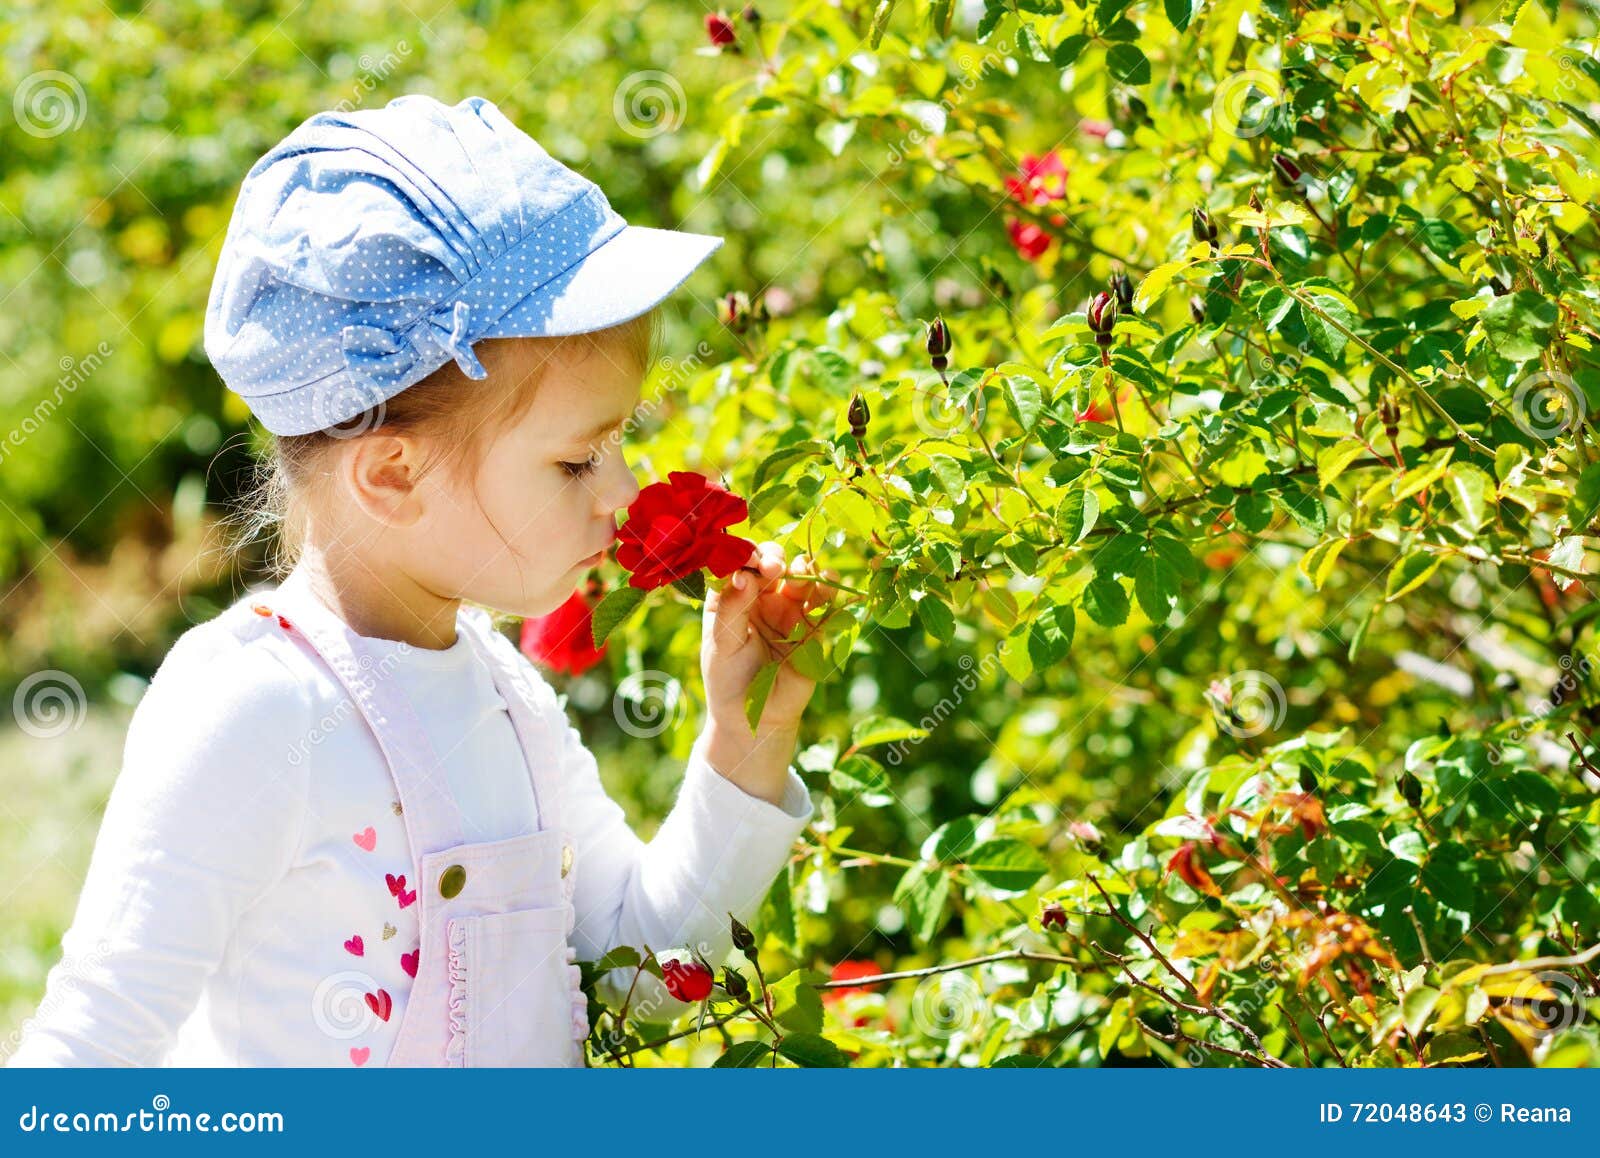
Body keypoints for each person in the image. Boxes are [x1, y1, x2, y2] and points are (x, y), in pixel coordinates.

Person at [9, 94, 828, 1067]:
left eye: (619, 446)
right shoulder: (255, 709)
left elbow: (644, 972)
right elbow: (93, 1047)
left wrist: (745, 743)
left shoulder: (501, 695)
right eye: (577, 461)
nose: (625, 491)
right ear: (391, 476)